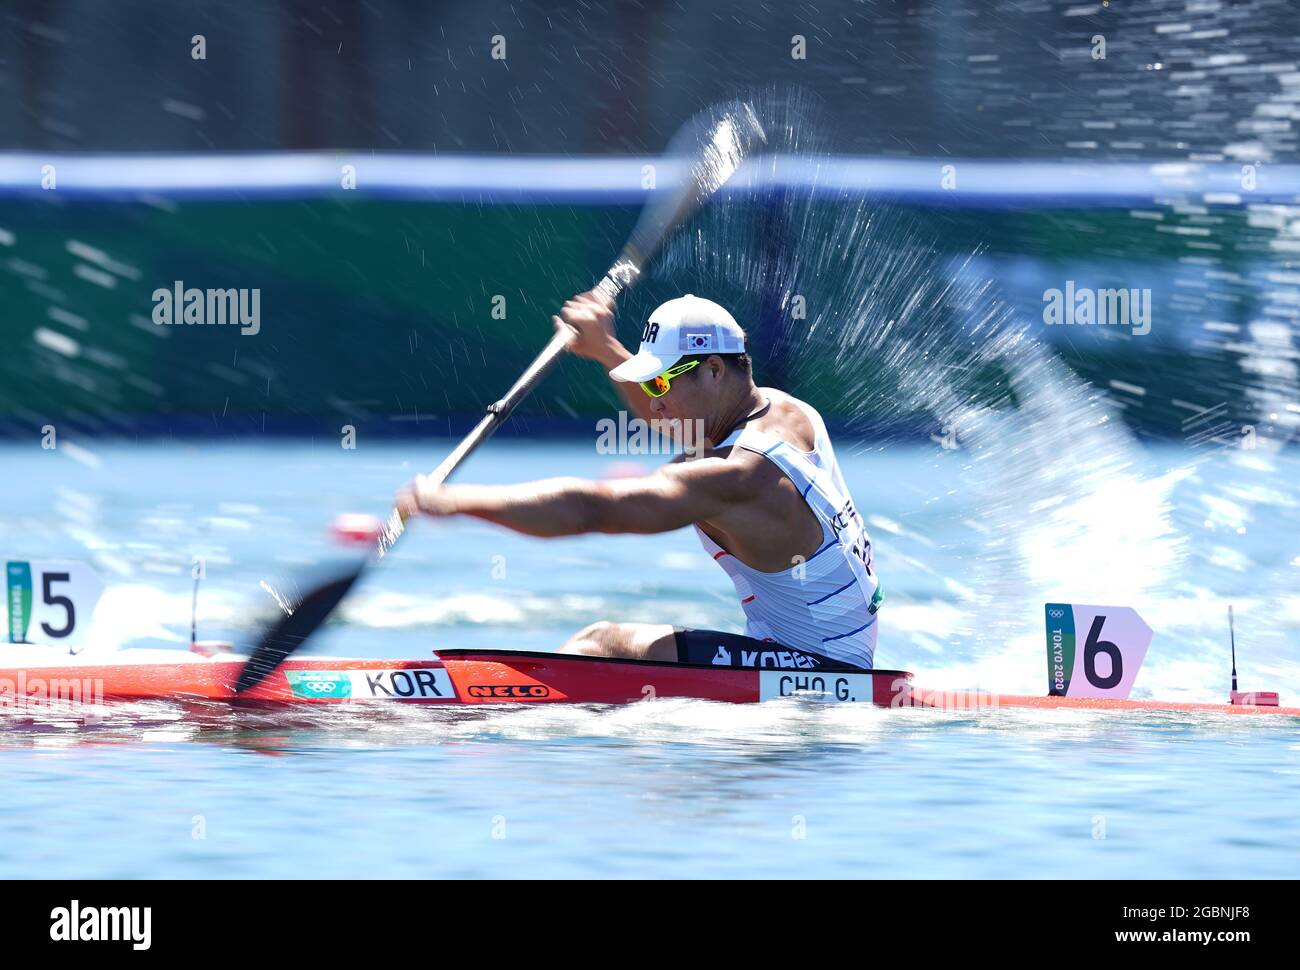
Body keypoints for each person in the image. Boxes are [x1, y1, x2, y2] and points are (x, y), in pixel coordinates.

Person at [395, 290, 881, 670]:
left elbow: (594, 509)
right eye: (649, 383)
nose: (654, 402)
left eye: (662, 382)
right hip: (823, 650)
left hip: (819, 670)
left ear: (713, 370)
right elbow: (673, 421)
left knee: (598, 644)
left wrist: (455, 501)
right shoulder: (785, 411)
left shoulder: (740, 477)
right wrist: (604, 348)